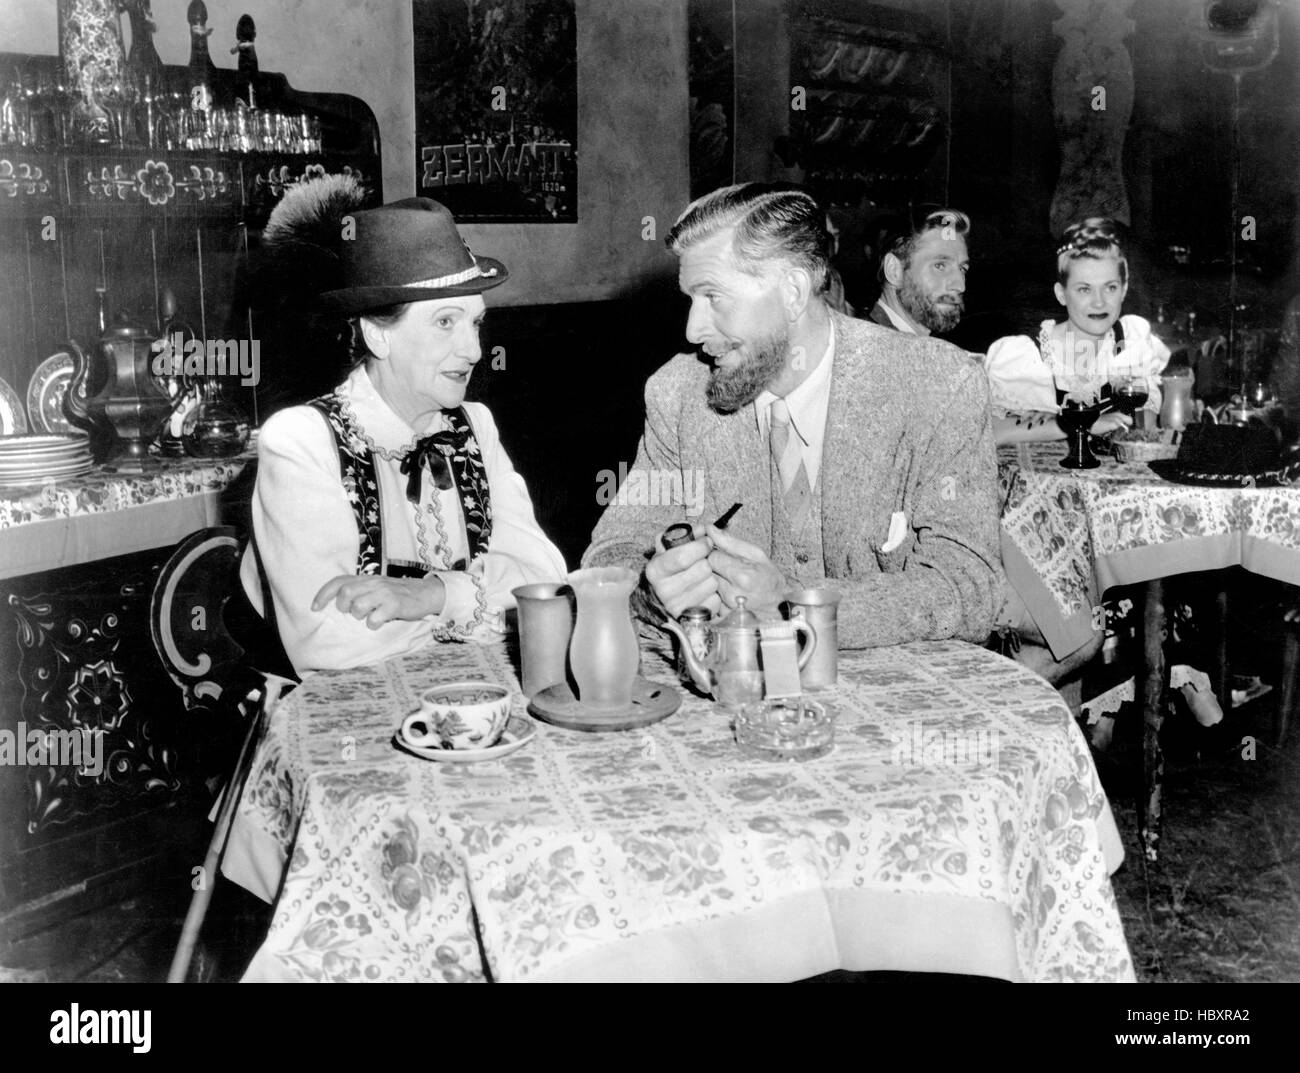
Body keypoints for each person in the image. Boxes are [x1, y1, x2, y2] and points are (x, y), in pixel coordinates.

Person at [581, 183, 1003, 648]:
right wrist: (649, 589)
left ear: (794, 290)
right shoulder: (679, 395)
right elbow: (611, 554)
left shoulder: (938, 385)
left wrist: (790, 606)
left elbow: (968, 587)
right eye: (690, 299)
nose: (693, 330)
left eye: (714, 297)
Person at [236, 177, 567, 675]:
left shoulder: (476, 426)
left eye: (475, 323)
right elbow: (327, 643)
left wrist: (428, 595)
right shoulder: (301, 441)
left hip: (460, 695)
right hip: (331, 716)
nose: (473, 351)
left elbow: (544, 583)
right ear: (378, 335)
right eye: (444, 323)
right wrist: (478, 608)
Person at [984, 217, 1169, 446]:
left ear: (1124, 289)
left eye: (1110, 287)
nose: (1099, 302)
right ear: (1061, 294)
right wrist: (1086, 423)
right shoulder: (1028, 355)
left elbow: (1144, 434)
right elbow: (994, 432)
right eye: (1084, 289)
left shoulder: (1132, 343)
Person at [867, 206, 970, 336]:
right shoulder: (864, 346)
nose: (960, 286)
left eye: (962, 269)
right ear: (894, 270)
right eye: (940, 266)